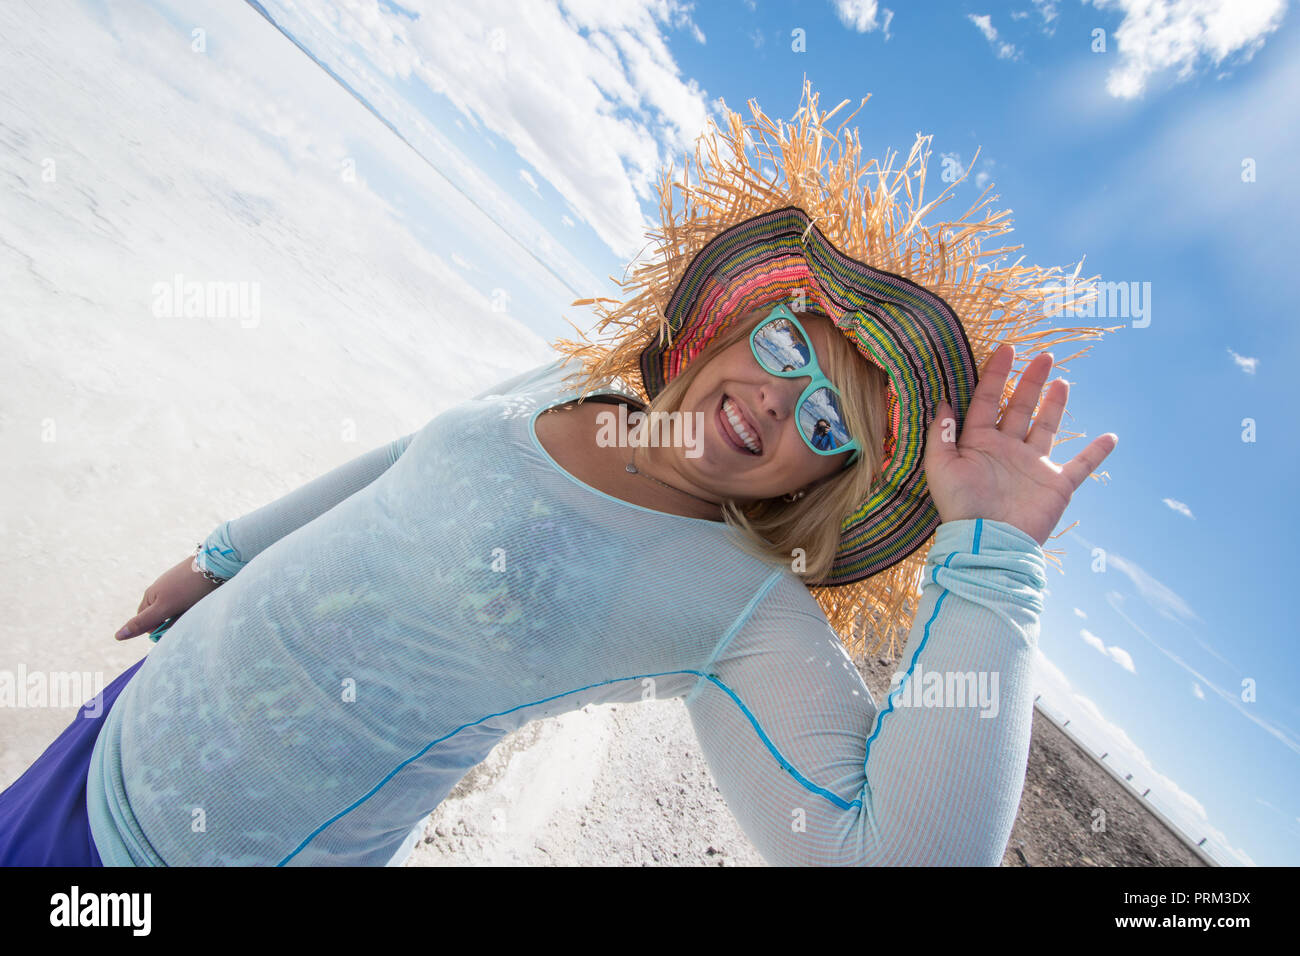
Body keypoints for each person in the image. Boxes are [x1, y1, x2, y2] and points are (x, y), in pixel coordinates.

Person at [0, 82, 1119, 866]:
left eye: (827, 418)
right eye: (786, 345)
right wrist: (221, 554)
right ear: (734, 321)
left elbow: (891, 855)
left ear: (825, 478)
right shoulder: (576, 379)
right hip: (121, 722)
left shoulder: (733, 600)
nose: (781, 396)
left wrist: (993, 560)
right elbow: (404, 460)